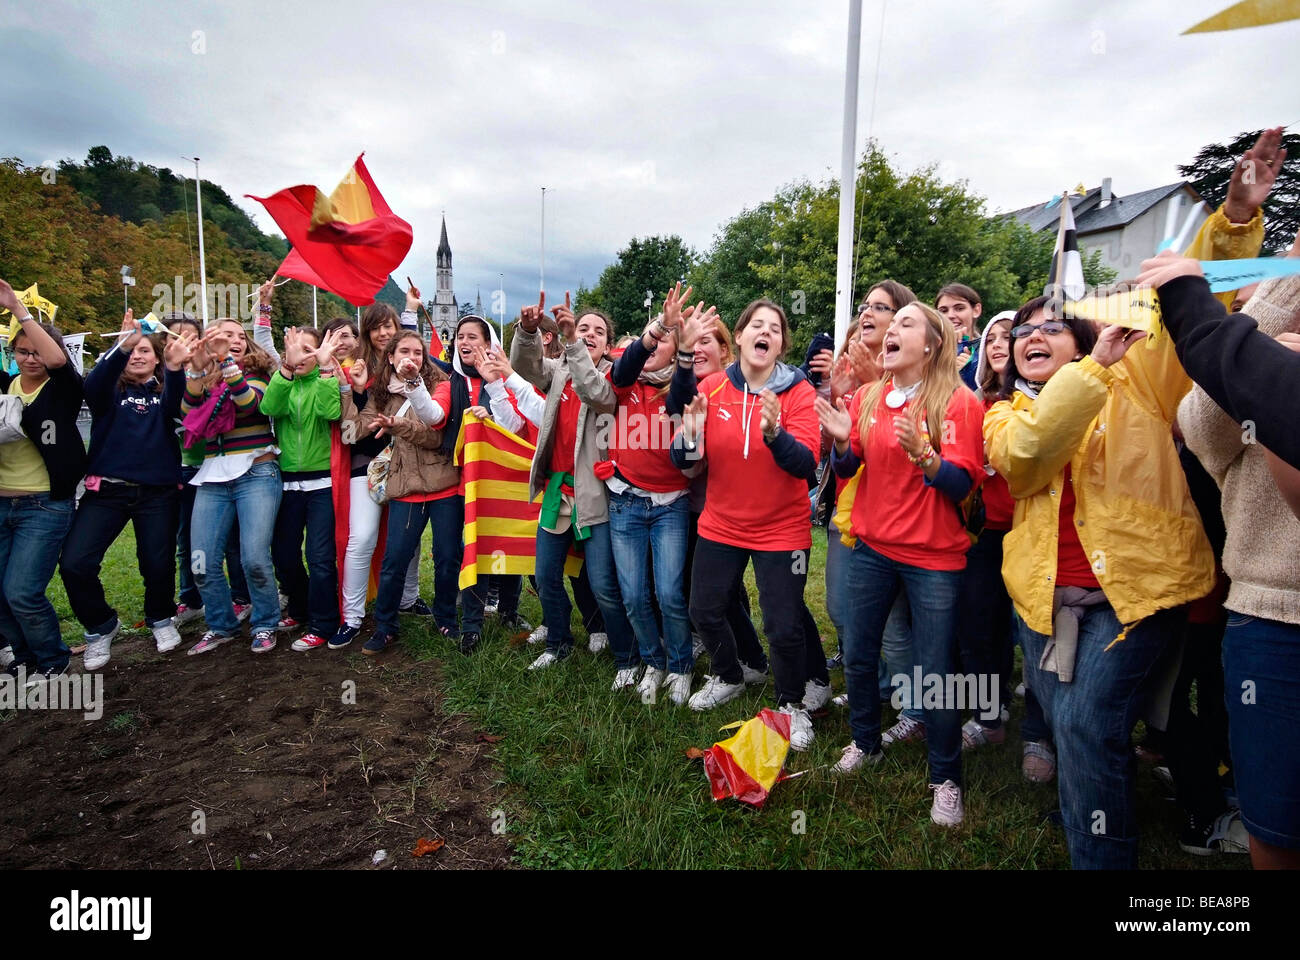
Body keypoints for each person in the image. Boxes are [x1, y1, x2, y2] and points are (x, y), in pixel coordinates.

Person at [984, 293, 1215, 868]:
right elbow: (1030, 453)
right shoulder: (1003, 414)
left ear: (1086, 338)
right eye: (1023, 331)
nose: (1033, 335)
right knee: (1072, 728)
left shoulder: (1139, 383)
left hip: (1134, 595)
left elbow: (1182, 299)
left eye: (1054, 326)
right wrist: (1089, 371)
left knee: (1087, 723)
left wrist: (1232, 222)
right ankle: (1090, 813)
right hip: (1043, 601)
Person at [817, 301, 984, 827]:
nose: (890, 330)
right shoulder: (868, 397)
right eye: (891, 325)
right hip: (872, 549)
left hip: (934, 559)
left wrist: (929, 457)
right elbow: (849, 466)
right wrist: (842, 440)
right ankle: (866, 744)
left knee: (935, 671)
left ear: (932, 344)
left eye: (905, 324)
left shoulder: (958, 403)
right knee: (861, 655)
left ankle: (945, 778)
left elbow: (964, 485)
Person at [1178, 274, 1300, 868]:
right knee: (1275, 824)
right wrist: (1280, 299)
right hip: (1271, 611)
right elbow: (1199, 425)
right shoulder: (1269, 331)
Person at [671, 298, 824, 749]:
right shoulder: (714, 386)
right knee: (704, 608)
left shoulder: (797, 392)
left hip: (783, 528)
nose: (765, 333)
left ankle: (790, 705)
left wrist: (775, 435)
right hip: (722, 523)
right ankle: (729, 675)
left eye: (775, 329)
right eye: (757, 325)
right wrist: (692, 433)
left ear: (780, 344)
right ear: (737, 337)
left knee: (782, 623)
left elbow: (806, 466)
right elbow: (681, 458)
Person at [510, 292, 638, 684]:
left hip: (594, 496)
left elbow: (596, 392)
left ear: (607, 341)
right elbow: (526, 366)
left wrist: (572, 342)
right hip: (556, 490)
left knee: (602, 584)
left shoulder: (615, 377)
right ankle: (558, 644)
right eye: (584, 328)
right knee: (546, 574)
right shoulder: (560, 369)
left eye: (598, 331)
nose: (590, 334)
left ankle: (627, 660)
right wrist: (529, 331)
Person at [59, 311, 194, 667]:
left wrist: (176, 370)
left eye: (146, 351)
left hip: (159, 493)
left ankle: (161, 618)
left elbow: (175, 410)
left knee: (157, 562)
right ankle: (101, 626)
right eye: (134, 351)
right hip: (106, 493)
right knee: (75, 562)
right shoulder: (107, 395)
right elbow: (92, 385)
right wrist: (123, 343)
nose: (138, 356)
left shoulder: (165, 391)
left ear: (157, 358)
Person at [601, 285, 705, 705]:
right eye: (651, 342)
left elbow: (681, 404)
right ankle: (652, 661)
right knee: (632, 596)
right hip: (626, 502)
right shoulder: (623, 384)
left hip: (670, 506)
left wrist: (683, 351)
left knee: (668, 594)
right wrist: (660, 326)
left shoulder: (682, 383)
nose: (653, 348)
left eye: (666, 343)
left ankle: (680, 665)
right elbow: (624, 368)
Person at [347, 330, 466, 655]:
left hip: (443, 483)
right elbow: (351, 433)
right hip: (407, 485)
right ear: (390, 357)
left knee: (446, 558)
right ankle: (385, 626)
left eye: (417, 352)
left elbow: (436, 436)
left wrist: (397, 425)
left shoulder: (443, 384)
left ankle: (445, 618)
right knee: (394, 559)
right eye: (404, 352)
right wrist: (352, 391)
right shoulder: (381, 392)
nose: (411, 358)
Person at [0, 278, 87, 685]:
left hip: (43, 505)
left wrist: (19, 311)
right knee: (1, 594)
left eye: (36, 350)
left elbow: (57, 361)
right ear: (11, 353)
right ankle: (24, 657)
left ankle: (53, 660)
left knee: (22, 591)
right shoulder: (4, 388)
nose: (30, 358)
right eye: (22, 351)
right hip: (2, 504)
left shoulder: (63, 389)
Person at [182, 317, 282, 655]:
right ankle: (221, 624)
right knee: (200, 562)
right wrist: (196, 370)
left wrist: (226, 362)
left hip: (256, 473)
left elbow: (250, 404)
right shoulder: (206, 380)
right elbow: (188, 416)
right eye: (226, 335)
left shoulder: (259, 375)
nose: (235, 340)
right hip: (212, 477)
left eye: (240, 336)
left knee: (254, 558)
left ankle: (266, 622)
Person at [261, 326, 345, 651]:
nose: (301, 355)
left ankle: (324, 622)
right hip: (287, 484)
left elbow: (330, 412)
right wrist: (285, 369)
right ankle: (299, 607)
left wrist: (325, 369)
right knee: (284, 556)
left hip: (321, 483)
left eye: (308, 349)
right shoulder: (284, 382)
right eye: (295, 348)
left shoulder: (324, 380)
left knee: (320, 557)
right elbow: (269, 408)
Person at [956, 309, 1017, 752]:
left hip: (1033, 531)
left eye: (1008, 336)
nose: (997, 344)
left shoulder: (1047, 397)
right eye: (991, 338)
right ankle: (989, 712)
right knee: (980, 620)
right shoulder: (978, 401)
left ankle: (1038, 729)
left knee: (1032, 630)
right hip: (986, 530)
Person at [936, 283, 983, 390]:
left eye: (959, 308)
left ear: (976, 310)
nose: (950, 315)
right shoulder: (929, 351)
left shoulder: (988, 349)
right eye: (943, 311)